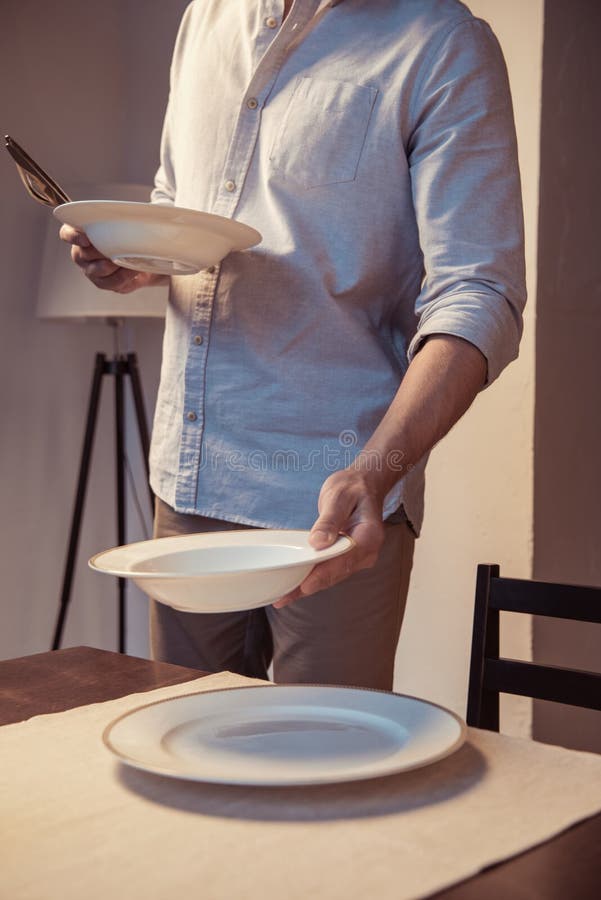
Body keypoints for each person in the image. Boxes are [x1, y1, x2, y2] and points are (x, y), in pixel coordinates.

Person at [60, 0, 526, 689]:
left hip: (333, 501)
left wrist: (377, 469)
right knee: (184, 749)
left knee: (323, 766)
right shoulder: (206, 18)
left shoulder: (443, 43)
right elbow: (178, 202)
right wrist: (138, 258)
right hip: (186, 485)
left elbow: (480, 293)